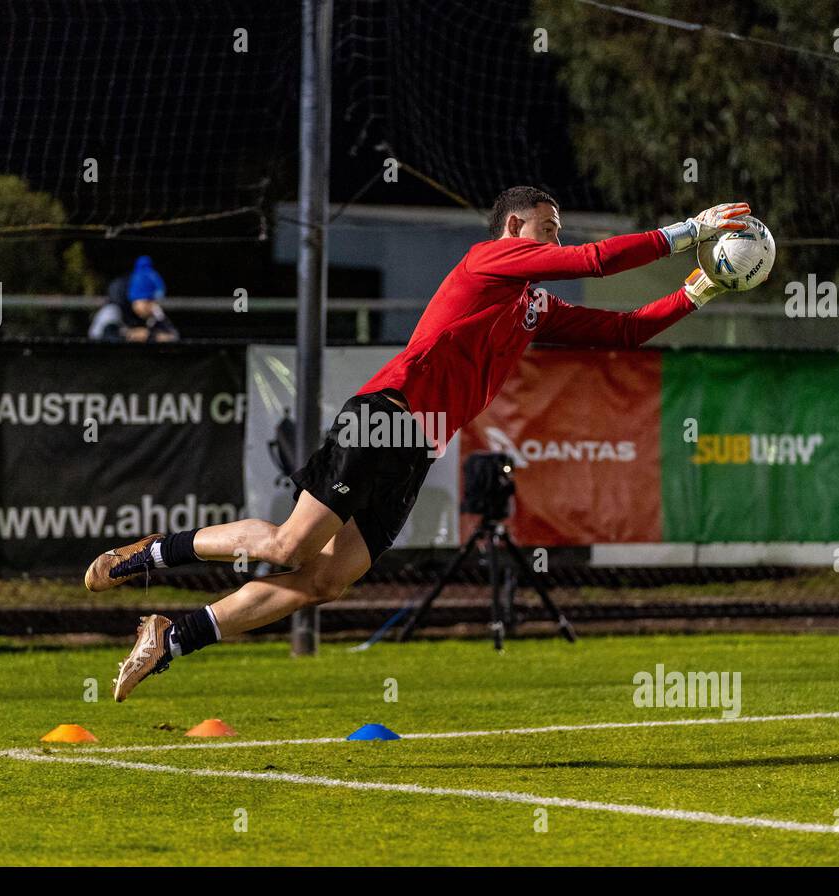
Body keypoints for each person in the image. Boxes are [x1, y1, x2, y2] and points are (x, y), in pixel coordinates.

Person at [85, 187, 754, 700]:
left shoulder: (533, 305)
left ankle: (172, 637)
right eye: (547, 229)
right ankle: (149, 555)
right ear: (515, 229)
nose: (556, 242)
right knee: (290, 546)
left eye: (556, 232)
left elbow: (625, 333)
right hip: (385, 415)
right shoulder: (490, 259)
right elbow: (595, 259)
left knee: (325, 580)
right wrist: (691, 229)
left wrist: (704, 285)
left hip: (420, 444)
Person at [87, 255, 178, 342]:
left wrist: (149, 335)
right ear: (136, 299)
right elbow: (102, 338)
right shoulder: (113, 310)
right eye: (148, 301)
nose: (153, 306)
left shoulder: (153, 311)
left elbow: (173, 337)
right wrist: (129, 335)